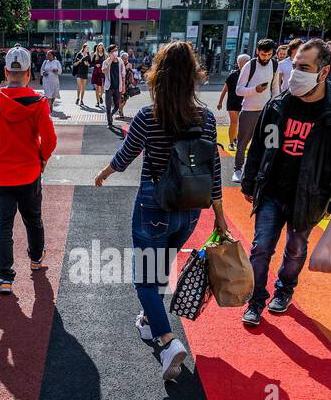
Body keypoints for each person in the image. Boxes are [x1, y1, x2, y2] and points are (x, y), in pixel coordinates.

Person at [93, 40, 228, 381]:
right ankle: (148, 318)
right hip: (191, 208)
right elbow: (212, 170)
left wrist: (104, 174)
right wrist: (221, 217)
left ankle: (168, 341)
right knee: (161, 266)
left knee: (143, 277)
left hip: (155, 204)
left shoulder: (148, 116)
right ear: (191, 77)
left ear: (159, 76)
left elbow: (124, 158)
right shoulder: (207, 119)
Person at [240, 39, 331, 326]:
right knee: (260, 248)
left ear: (324, 71)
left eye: (304, 67)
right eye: (294, 66)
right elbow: (262, 146)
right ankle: (256, 299)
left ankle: (284, 289)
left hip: (310, 195)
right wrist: (249, 182)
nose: (296, 73)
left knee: (295, 248)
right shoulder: (278, 105)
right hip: (271, 190)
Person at [0, 45, 57, 295]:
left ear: (6, 71)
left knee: (4, 226)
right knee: (33, 219)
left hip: (2, 175)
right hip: (30, 173)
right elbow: (50, 140)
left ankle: (5, 277)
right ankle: (36, 258)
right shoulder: (39, 102)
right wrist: (42, 159)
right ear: (29, 73)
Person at [232, 38, 279, 184]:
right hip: (249, 110)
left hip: (268, 110)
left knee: (270, 143)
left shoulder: (275, 65)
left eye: (269, 54)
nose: (265, 58)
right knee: (243, 142)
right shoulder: (250, 65)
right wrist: (255, 90)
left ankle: (264, 171)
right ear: (257, 52)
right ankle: (238, 169)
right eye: (263, 54)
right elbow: (238, 90)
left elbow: (275, 87)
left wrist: (276, 105)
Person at [218, 53, 249, 155]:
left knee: (243, 124)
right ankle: (231, 142)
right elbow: (225, 89)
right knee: (234, 122)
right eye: (240, 63)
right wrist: (220, 102)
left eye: (244, 63)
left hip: (245, 102)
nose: (241, 64)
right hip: (232, 102)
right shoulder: (232, 75)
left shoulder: (251, 76)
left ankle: (238, 141)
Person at [103, 44, 126, 132]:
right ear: (109, 53)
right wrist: (110, 61)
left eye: (116, 50)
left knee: (117, 105)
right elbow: (104, 71)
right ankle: (109, 123)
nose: (116, 52)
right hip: (109, 87)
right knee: (108, 106)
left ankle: (111, 115)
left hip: (118, 87)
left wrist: (123, 86)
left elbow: (123, 74)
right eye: (114, 51)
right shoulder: (106, 61)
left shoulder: (120, 61)